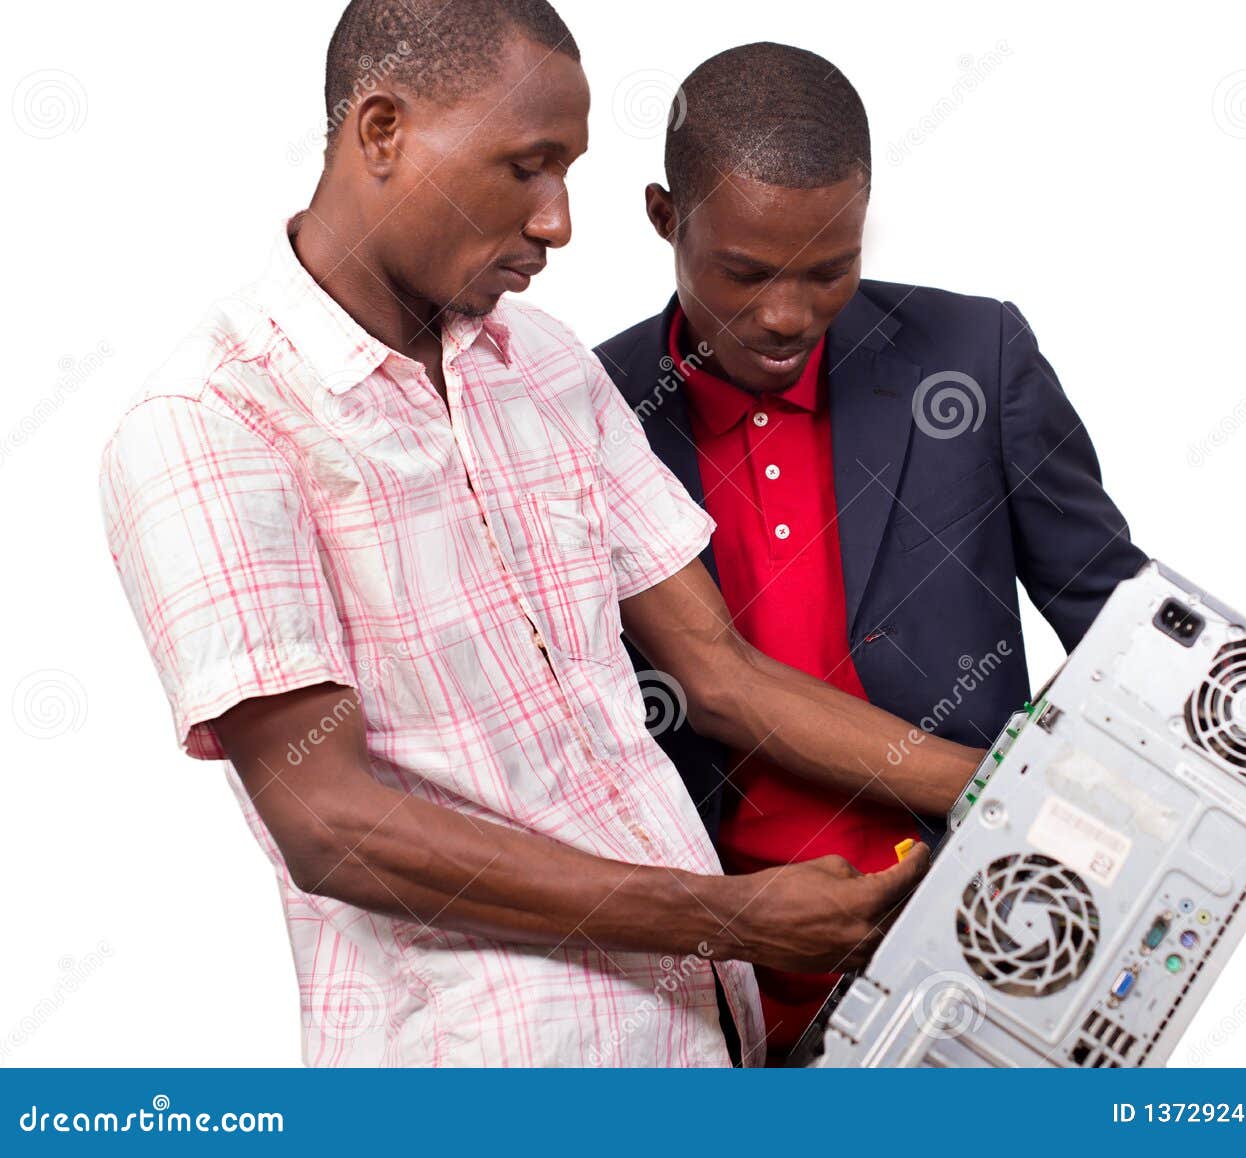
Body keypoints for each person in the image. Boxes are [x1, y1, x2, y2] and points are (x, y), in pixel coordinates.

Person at [97, 2, 983, 1067]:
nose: (558, 222)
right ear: (381, 131)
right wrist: (730, 917)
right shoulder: (213, 419)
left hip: (708, 1048)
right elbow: (330, 825)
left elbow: (720, 672)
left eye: (567, 171)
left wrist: (1010, 787)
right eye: (527, 166)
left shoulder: (550, 366)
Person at [596, 42, 1147, 1060]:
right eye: (745, 273)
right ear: (664, 218)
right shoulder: (590, 409)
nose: (787, 315)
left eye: (829, 269)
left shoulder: (972, 358)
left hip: (987, 931)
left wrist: (1139, 822)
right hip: (708, 980)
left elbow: (1122, 629)